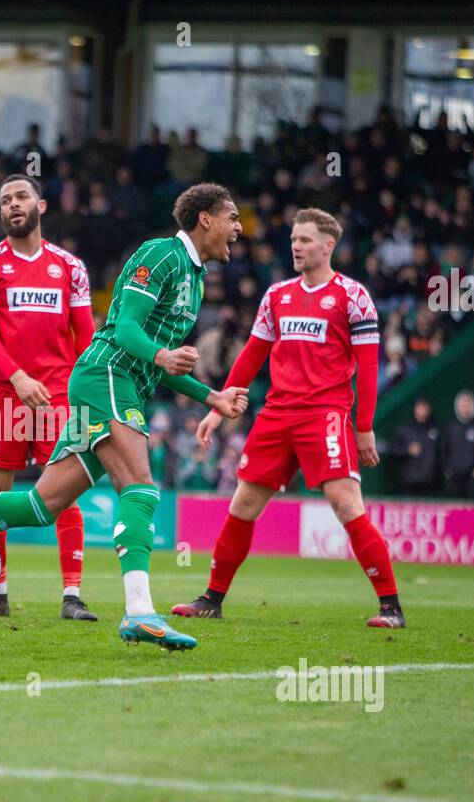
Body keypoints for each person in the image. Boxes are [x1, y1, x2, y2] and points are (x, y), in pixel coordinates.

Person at [0, 183, 249, 651]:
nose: (238, 229)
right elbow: (127, 331)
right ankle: (139, 611)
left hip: (100, 382)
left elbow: (160, 360)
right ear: (205, 219)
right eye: (232, 218)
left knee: (41, 505)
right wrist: (160, 356)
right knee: (139, 486)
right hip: (105, 377)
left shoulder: (194, 281)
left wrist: (210, 396)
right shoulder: (161, 255)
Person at [170, 207, 405, 629]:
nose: (296, 246)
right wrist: (217, 408)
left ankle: (391, 606)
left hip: (325, 414)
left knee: (345, 503)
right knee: (243, 502)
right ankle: (212, 598)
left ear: (328, 245)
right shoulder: (276, 296)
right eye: (294, 239)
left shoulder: (353, 296)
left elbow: (368, 368)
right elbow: (251, 356)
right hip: (277, 413)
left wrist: (364, 427)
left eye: (305, 240)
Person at [0, 175, 98, 620]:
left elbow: (86, 338)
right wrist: (19, 378)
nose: (13, 205)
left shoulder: (70, 267)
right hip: (4, 393)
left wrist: (89, 394)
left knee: (65, 492)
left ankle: (72, 597)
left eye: (21, 197)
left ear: (41, 205)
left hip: (59, 395)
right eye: (5, 201)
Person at [440, 390, 474, 499]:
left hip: (473, 477)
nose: (465, 409)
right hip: (454, 477)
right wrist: (447, 468)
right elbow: (443, 450)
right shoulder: (450, 427)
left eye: (468, 406)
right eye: (463, 406)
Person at [392, 398, 440, 497]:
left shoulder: (436, 428)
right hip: (409, 483)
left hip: (430, 483)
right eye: (420, 408)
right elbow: (394, 451)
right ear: (415, 410)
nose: (422, 411)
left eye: (425, 408)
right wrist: (408, 450)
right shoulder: (404, 429)